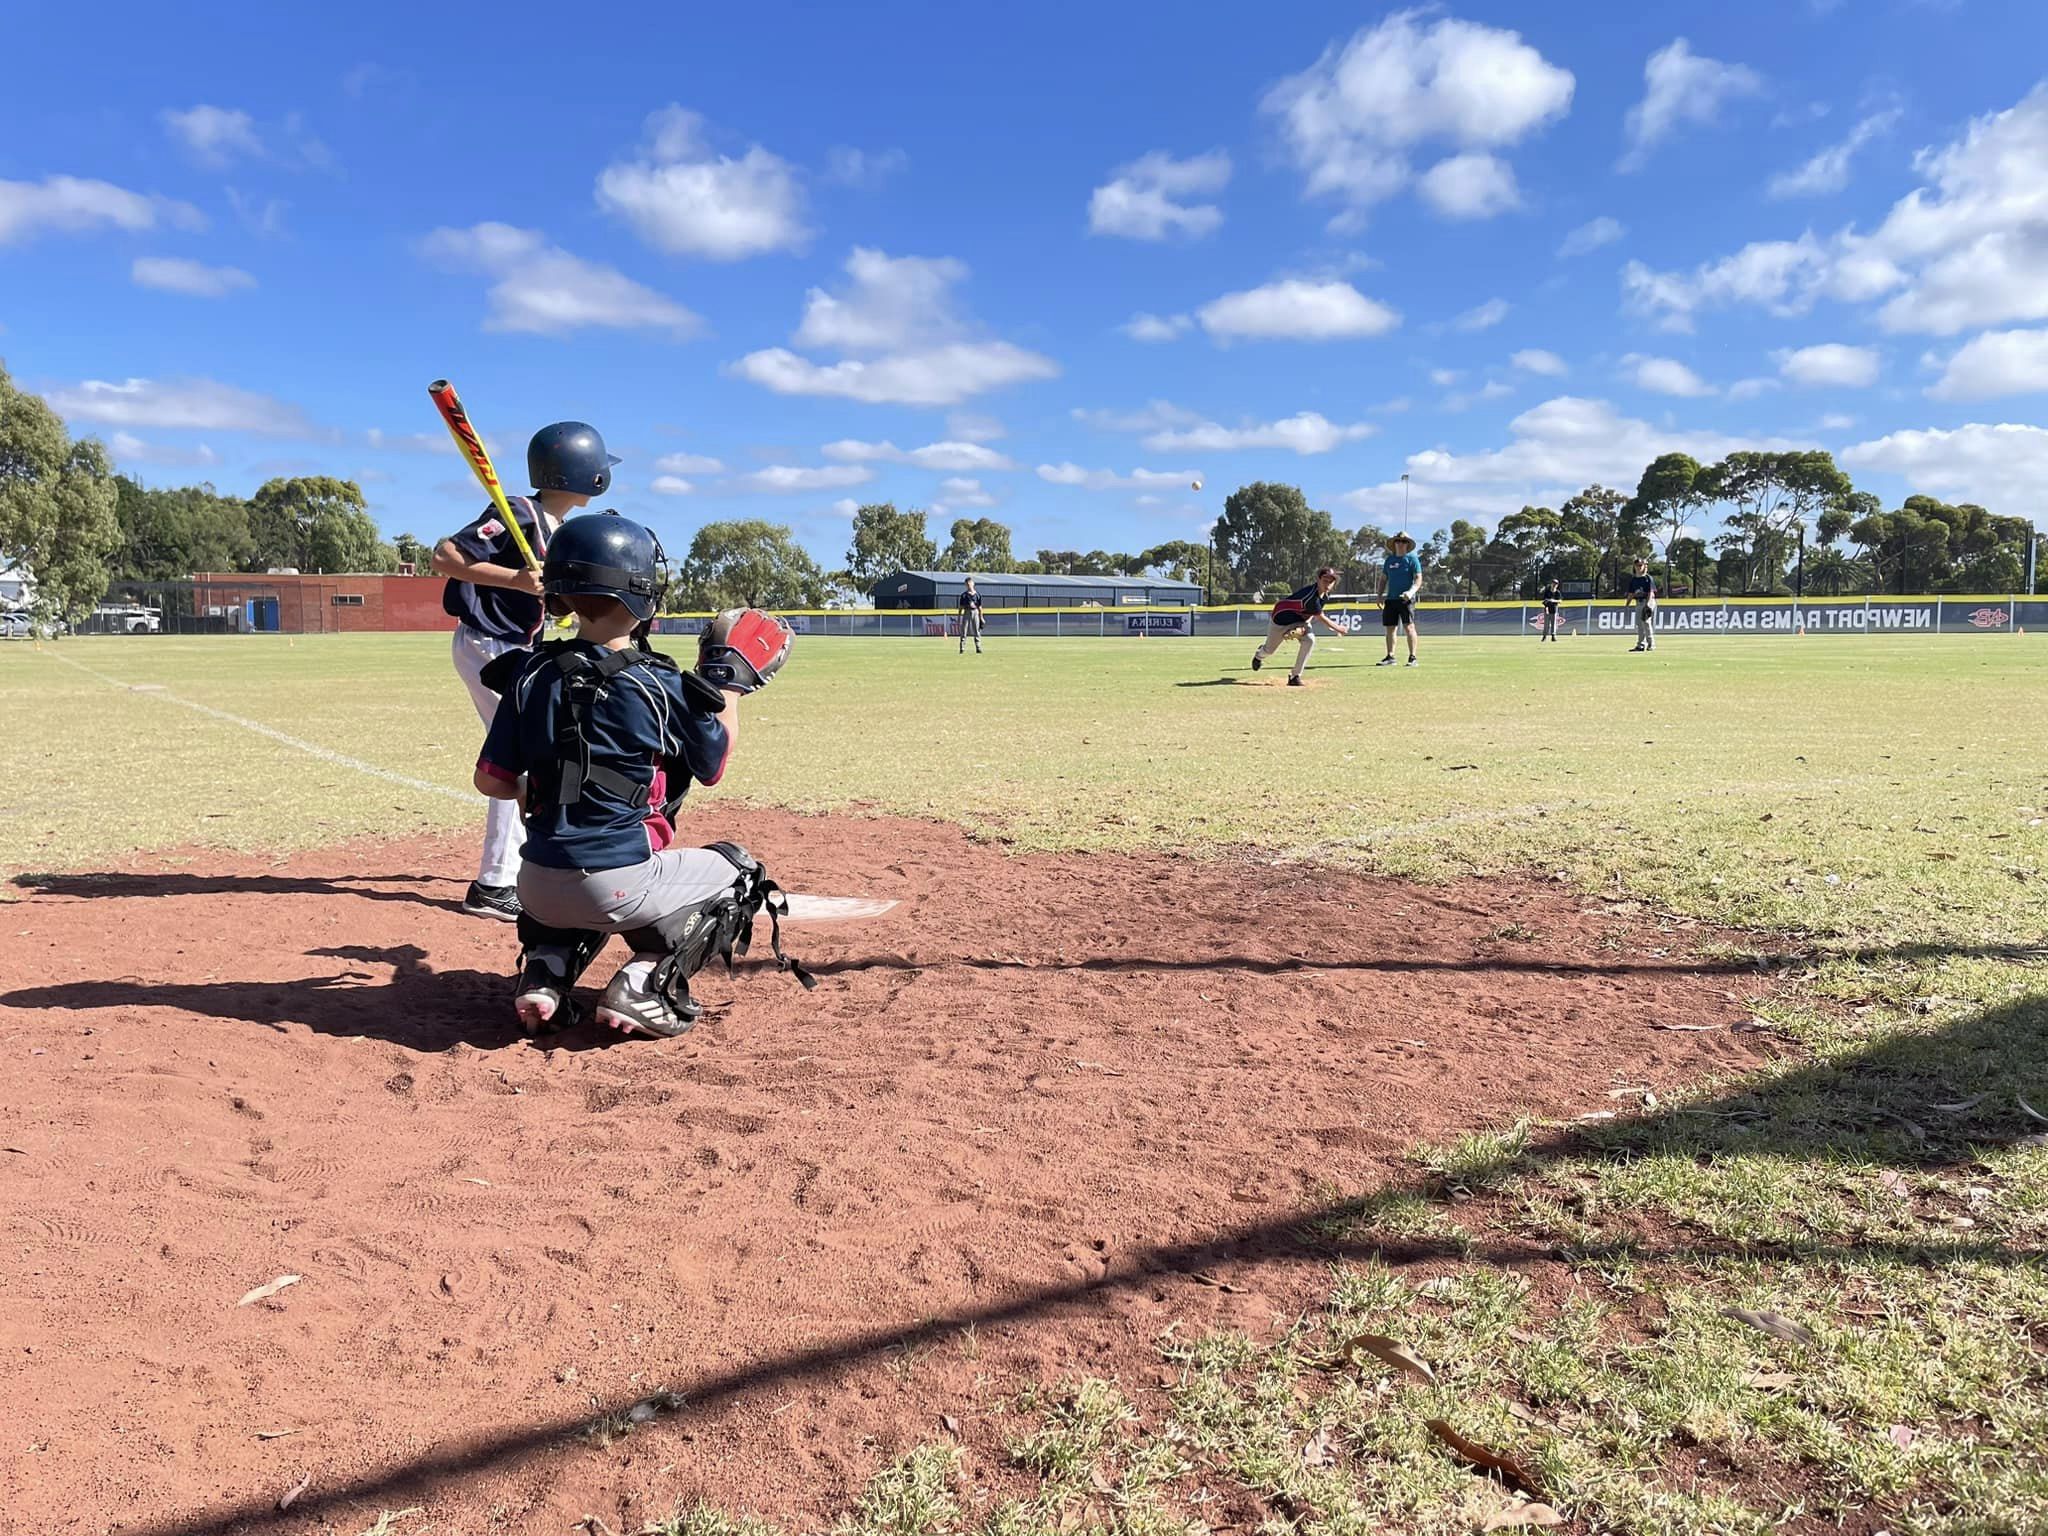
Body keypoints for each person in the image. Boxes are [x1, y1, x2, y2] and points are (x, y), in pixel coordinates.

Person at [472, 513, 800, 1039]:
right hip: (615, 886)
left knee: (579, 881)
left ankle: (546, 970)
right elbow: (712, 765)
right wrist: (728, 685)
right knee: (739, 872)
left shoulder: (529, 672)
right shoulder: (658, 682)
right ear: (641, 593)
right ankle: (644, 985)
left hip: (532, 885)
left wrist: (529, 789)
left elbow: (490, 781)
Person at [432, 421, 620, 922]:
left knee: (528, 751)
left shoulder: (555, 529)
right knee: (514, 757)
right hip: (490, 645)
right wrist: (514, 579)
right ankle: (494, 885)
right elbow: (446, 556)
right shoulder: (518, 511)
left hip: (513, 646)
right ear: (586, 473)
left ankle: (519, 865)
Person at [1251, 566, 1345, 686]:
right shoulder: (1311, 596)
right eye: (1325, 580)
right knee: (1269, 650)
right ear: (1318, 580)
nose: (1327, 584)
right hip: (1281, 619)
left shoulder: (1325, 596)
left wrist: (1303, 626)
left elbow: (1312, 614)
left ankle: (1295, 676)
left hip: (1299, 620)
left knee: (1310, 640)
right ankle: (1259, 655)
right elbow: (1320, 616)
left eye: (1331, 581)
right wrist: (1339, 628)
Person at [1378, 531, 1423, 667]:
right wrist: (1379, 595)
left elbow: (1418, 578)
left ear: (1408, 544)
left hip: (1406, 600)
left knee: (1409, 627)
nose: (1400, 544)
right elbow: (1383, 579)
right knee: (1390, 628)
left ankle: (1412, 657)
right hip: (1391, 599)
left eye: (1404, 541)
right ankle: (1390, 656)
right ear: (1394, 543)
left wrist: (1411, 592)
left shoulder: (1412, 559)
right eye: (1398, 541)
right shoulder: (1389, 560)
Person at [1625, 559, 1659, 651]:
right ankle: (1641, 645)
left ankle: (1651, 644)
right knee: (1639, 624)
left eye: (1641, 565)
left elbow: (1650, 593)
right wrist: (1627, 604)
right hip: (1639, 602)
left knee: (1646, 622)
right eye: (1637, 565)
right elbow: (1631, 593)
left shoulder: (1647, 578)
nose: (1639, 567)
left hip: (1648, 601)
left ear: (1644, 566)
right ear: (1634, 566)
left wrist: (1647, 605)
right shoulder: (1633, 580)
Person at [958, 576, 985, 655]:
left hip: (975, 612)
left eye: (970, 583)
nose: (968, 585)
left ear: (973, 584)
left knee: (977, 630)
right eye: (967, 584)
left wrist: (981, 617)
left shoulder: (977, 595)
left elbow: (980, 608)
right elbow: (961, 607)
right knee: (964, 630)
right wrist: (959, 617)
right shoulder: (964, 595)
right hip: (966, 611)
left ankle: (978, 647)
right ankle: (962, 648)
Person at [1539, 577, 1562, 642]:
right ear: (1551, 584)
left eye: (1556, 584)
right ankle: (1544, 637)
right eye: (1553, 583)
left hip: (1554, 610)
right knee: (1546, 624)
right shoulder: (1547, 591)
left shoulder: (1557, 592)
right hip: (1547, 609)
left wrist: (1553, 600)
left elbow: (1560, 601)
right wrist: (1546, 607)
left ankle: (1553, 636)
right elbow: (1544, 600)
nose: (1554, 585)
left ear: (1557, 585)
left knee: (1553, 624)